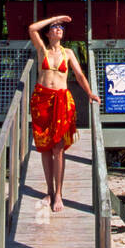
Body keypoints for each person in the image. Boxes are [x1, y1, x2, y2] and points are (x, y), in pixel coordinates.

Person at [28, 14, 100, 212]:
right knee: (43, 147)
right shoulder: (42, 50)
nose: (59, 28)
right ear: (49, 32)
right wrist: (57, 17)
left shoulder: (68, 52)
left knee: (58, 148)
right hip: (42, 100)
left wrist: (89, 93)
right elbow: (32, 28)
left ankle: (59, 193)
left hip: (61, 100)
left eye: (61, 27)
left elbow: (78, 74)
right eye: (55, 27)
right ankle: (49, 191)